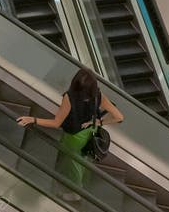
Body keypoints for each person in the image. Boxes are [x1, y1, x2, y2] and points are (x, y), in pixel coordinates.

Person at [17, 68, 123, 200]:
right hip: (90, 131)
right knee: (80, 158)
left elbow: (56, 123)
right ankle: (69, 179)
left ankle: (76, 193)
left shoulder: (69, 97)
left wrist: (33, 119)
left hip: (74, 136)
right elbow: (119, 117)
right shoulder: (98, 96)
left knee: (74, 163)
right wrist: (99, 122)